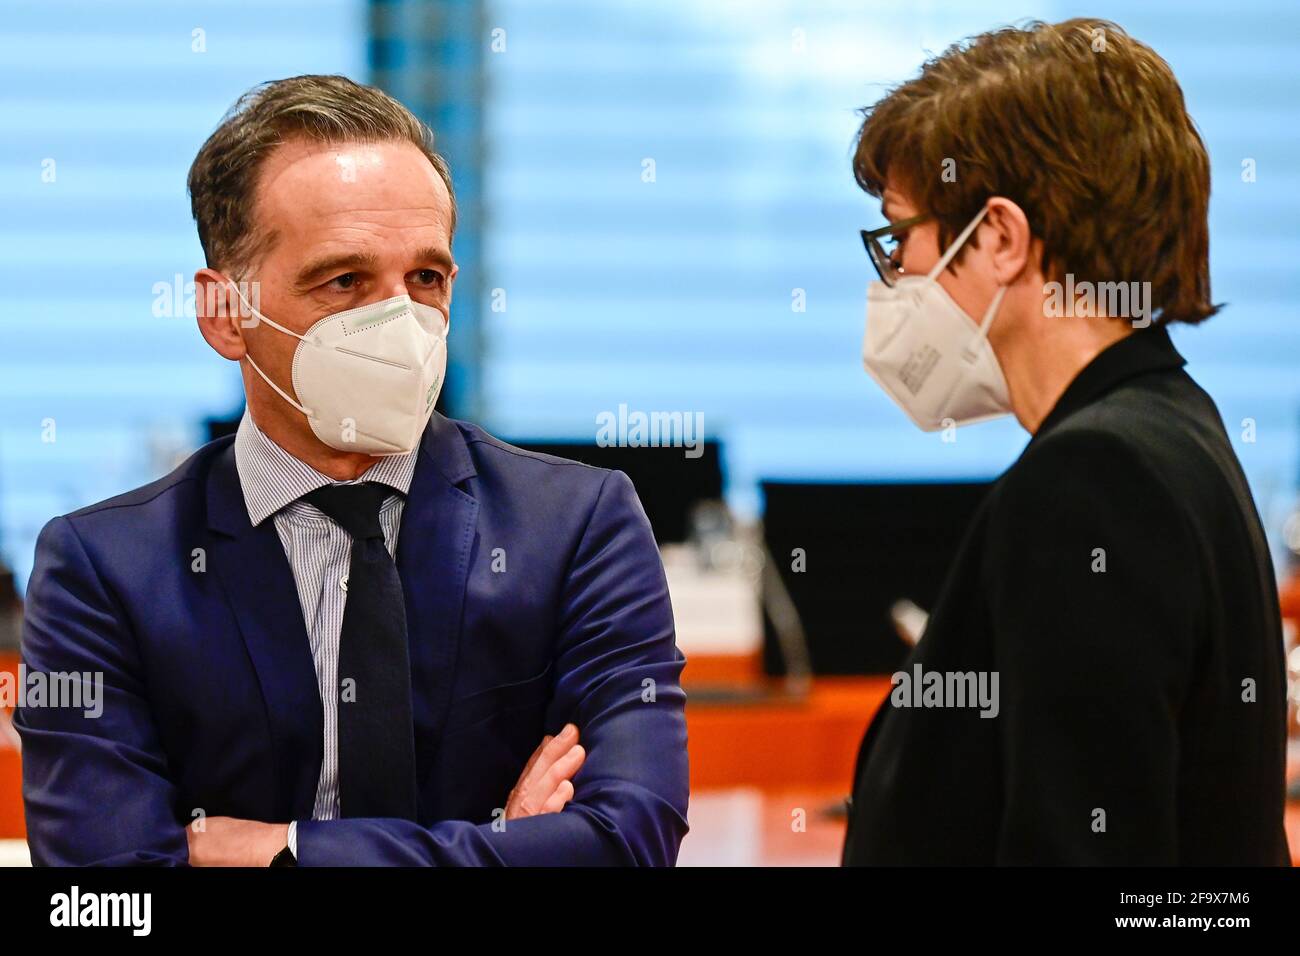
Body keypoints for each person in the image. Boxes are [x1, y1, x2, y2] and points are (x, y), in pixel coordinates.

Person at [16, 75, 689, 866]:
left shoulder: (578, 524)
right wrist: (503, 848)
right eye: (345, 281)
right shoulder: (104, 570)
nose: (398, 321)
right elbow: (110, 895)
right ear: (224, 314)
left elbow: (626, 841)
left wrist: (283, 850)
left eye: (425, 279)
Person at [843, 20, 1289, 864]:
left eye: (901, 237)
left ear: (1001, 238)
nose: (895, 277)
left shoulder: (1093, 479)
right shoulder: (1177, 425)